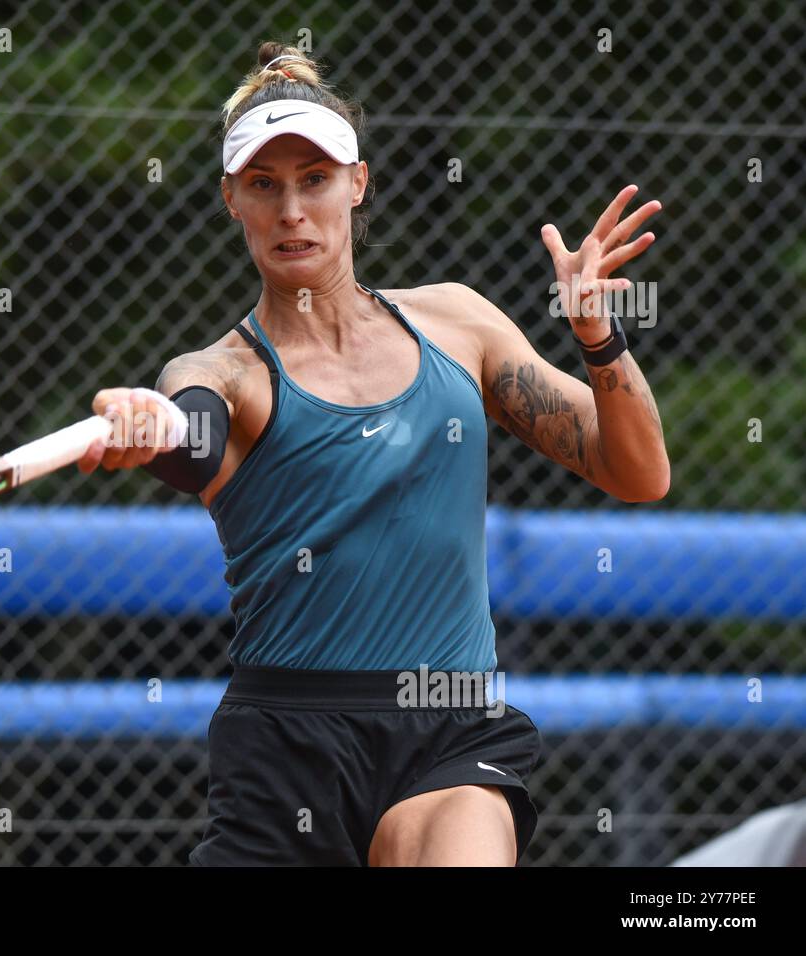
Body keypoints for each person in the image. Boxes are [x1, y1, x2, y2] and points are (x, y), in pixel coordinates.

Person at [78, 42, 669, 866]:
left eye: (315, 180)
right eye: (264, 185)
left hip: (452, 730)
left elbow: (638, 472)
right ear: (232, 201)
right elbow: (192, 440)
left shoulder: (460, 326)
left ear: (358, 185)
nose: (292, 211)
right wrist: (148, 424)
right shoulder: (221, 373)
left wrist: (600, 341)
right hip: (285, 755)